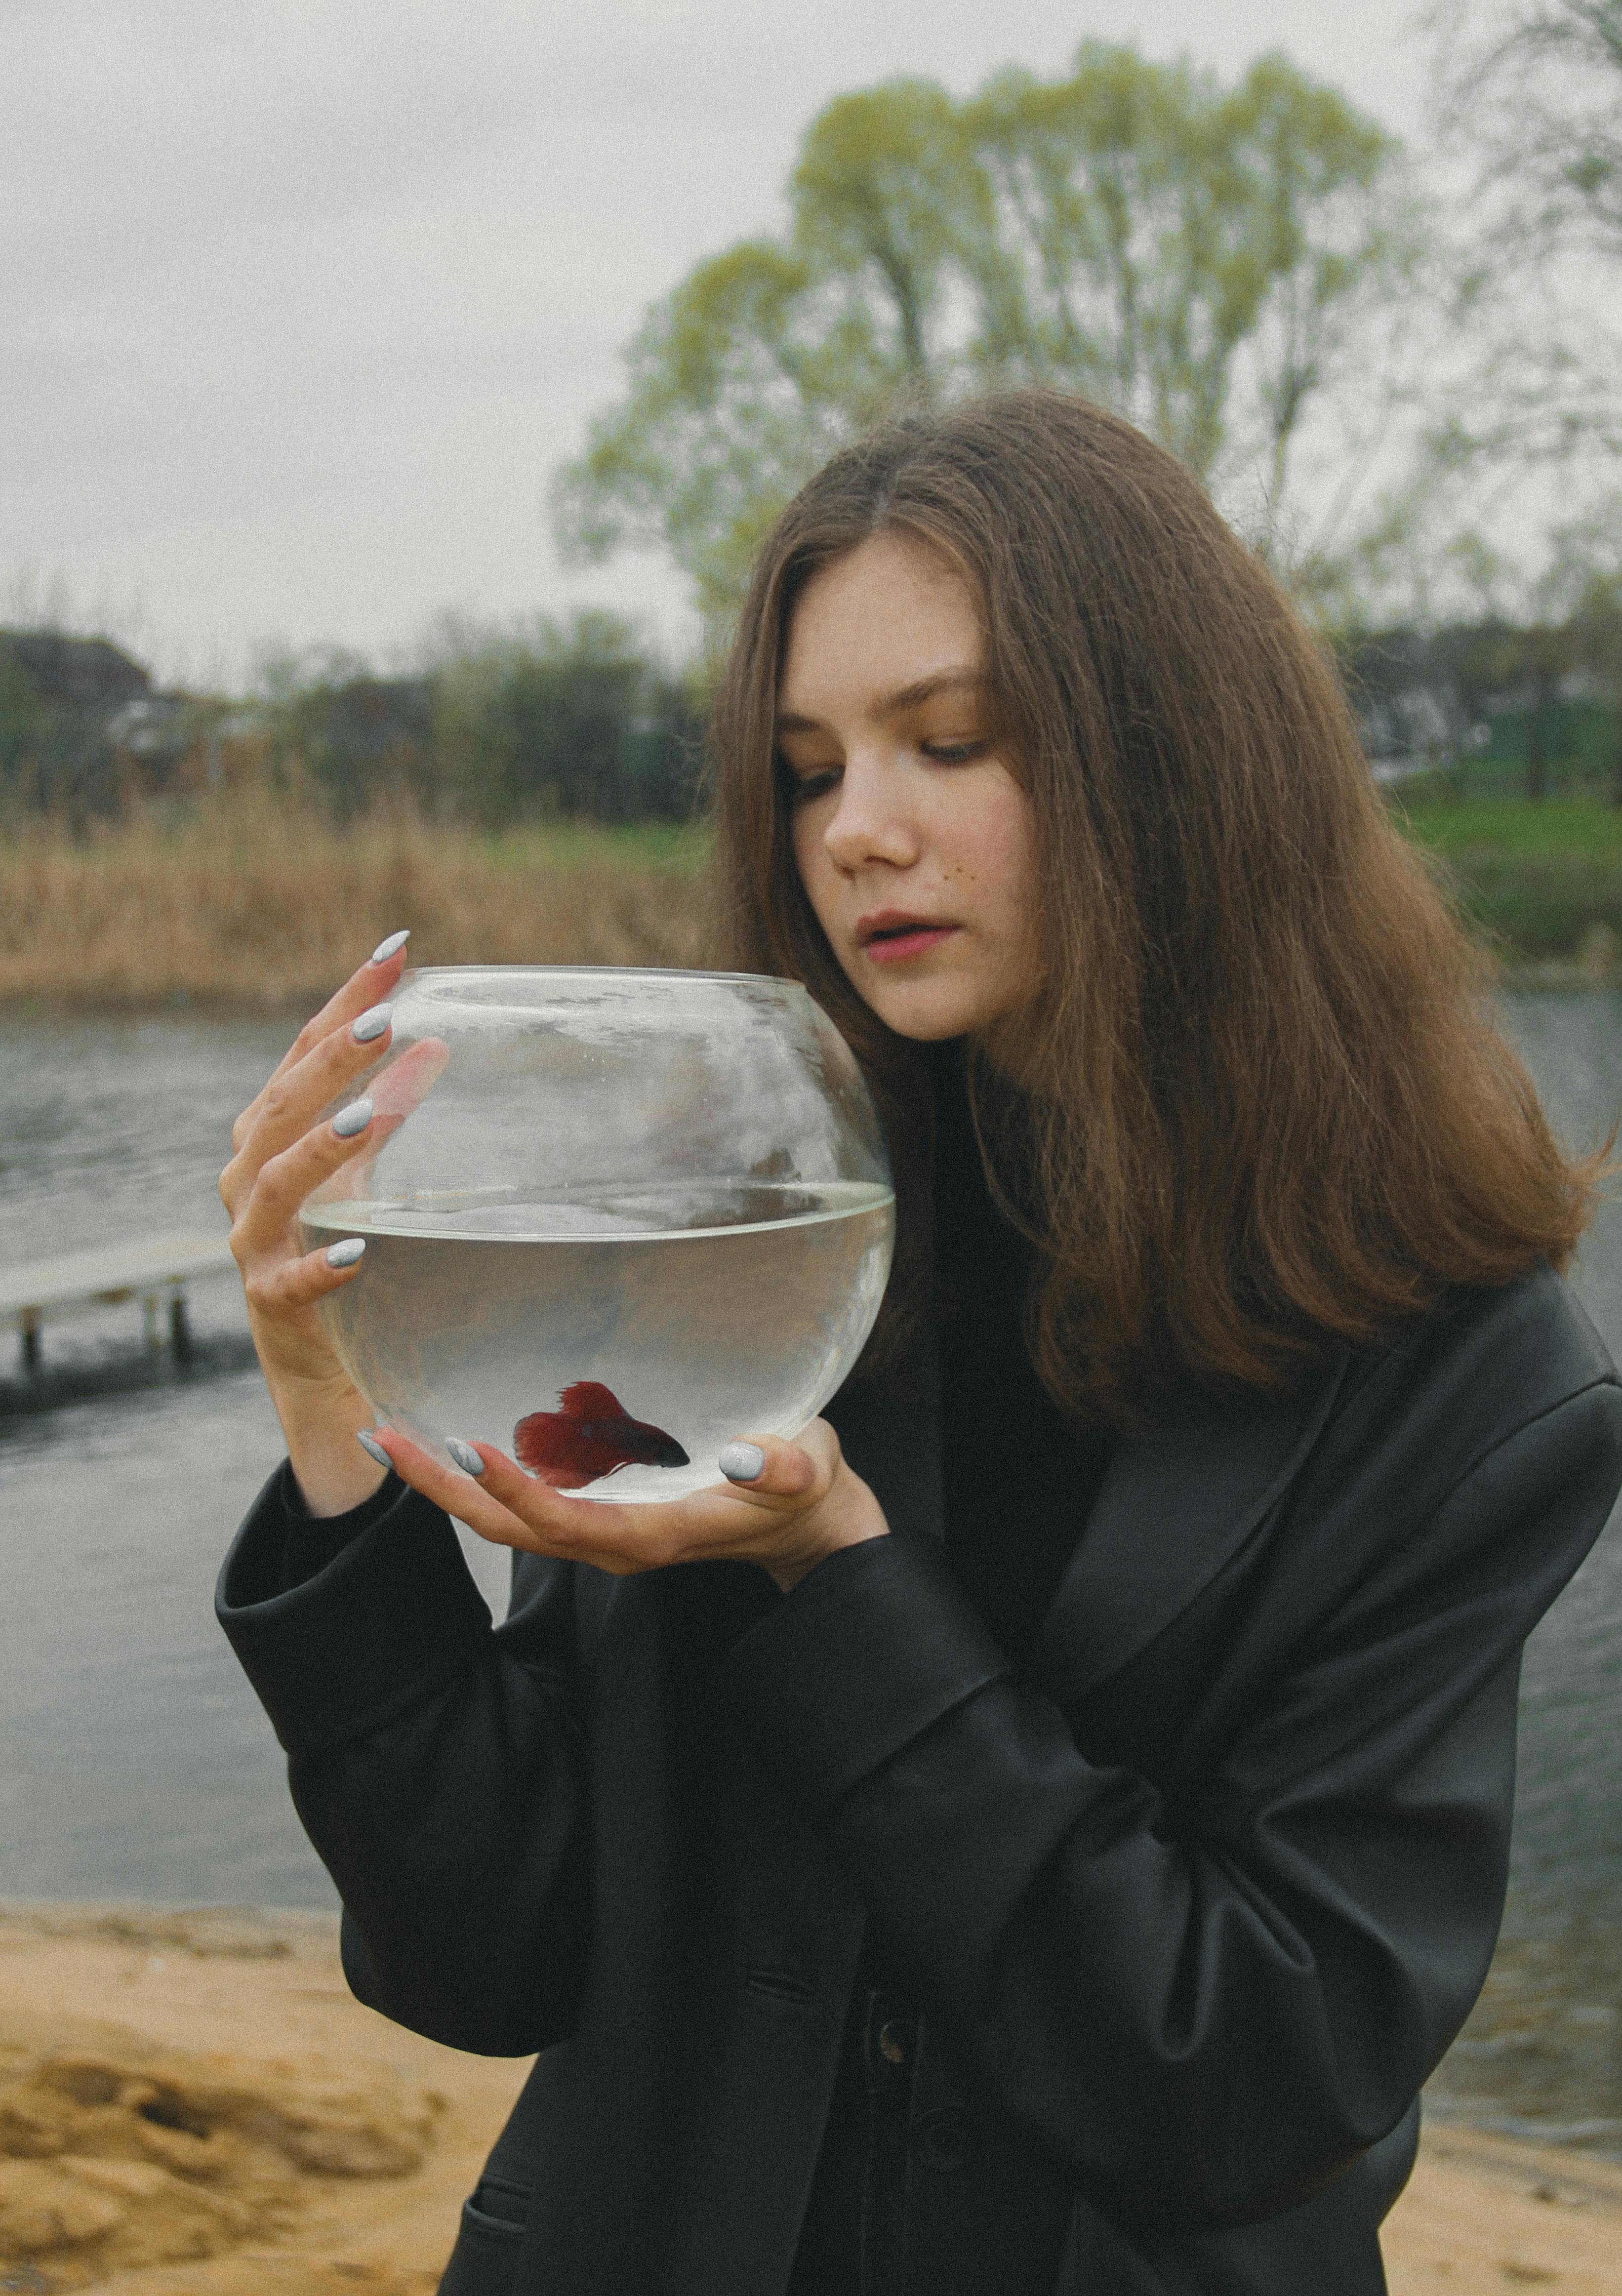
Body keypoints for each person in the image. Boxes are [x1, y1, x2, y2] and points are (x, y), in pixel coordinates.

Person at [216, 392, 1622, 2296]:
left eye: (948, 741)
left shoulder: (1464, 1375)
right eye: (805, 769)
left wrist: (831, 1572)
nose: (858, 831)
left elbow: (1246, 2077)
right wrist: (330, 1419)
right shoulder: (743, 1243)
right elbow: (494, 1951)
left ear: (1173, 762)